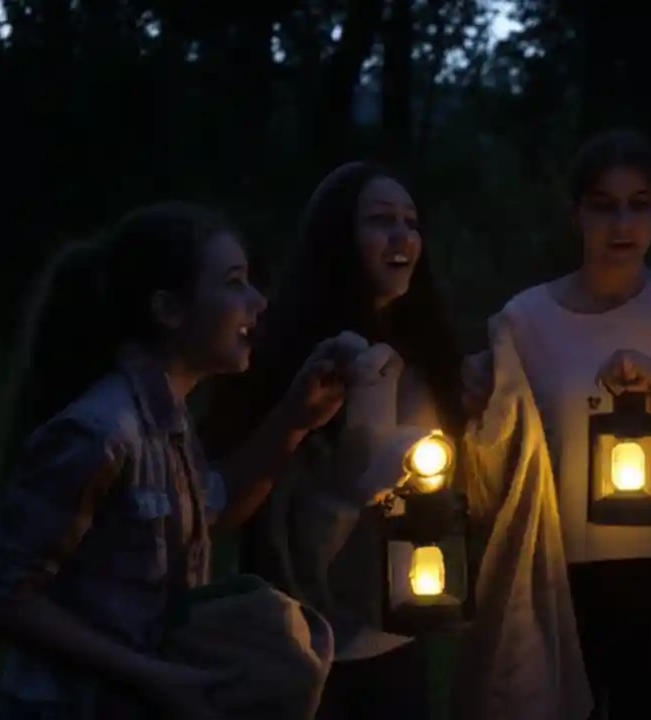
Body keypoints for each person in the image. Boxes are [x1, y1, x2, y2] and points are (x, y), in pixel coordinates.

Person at [0, 202, 359, 719]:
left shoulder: (168, 421)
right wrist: (156, 677)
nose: (257, 301)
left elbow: (215, 506)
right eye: (234, 283)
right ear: (168, 310)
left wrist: (295, 420)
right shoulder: (101, 431)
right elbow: (6, 594)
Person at [463, 128, 651, 719]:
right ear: (576, 213)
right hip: (557, 574)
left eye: (639, 204)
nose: (621, 223)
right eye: (604, 204)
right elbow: (494, 454)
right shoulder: (526, 319)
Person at [202, 161, 465, 720]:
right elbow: (223, 497)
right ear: (338, 239)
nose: (402, 237)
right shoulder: (287, 359)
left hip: (396, 639)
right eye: (381, 222)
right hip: (298, 645)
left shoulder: (428, 355)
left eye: (411, 223)